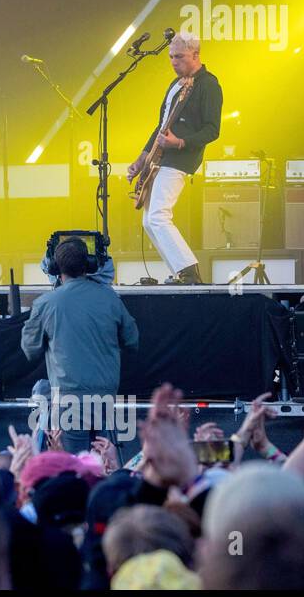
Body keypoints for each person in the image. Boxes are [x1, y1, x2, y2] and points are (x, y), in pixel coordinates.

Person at [21, 239, 139, 453]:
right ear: (90, 265)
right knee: (103, 461)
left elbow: (30, 350)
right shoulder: (110, 299)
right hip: (106, 397)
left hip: (69, 399)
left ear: (54, 268)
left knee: (74, 466)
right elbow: (132, 341)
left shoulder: (45, 304)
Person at [126, 31, 222, 285]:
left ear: (196, 54)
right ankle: (180, 272)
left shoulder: (208, 84)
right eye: (170, 56)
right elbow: (161, 125)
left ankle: (190, 272)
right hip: (160, 157)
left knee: (158, 215)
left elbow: (212, 130)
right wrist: (141, 158)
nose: (173, 61)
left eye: (179, 56)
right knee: (149, 220)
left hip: (180, 158)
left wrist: (178, 142)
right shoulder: (175, 85)